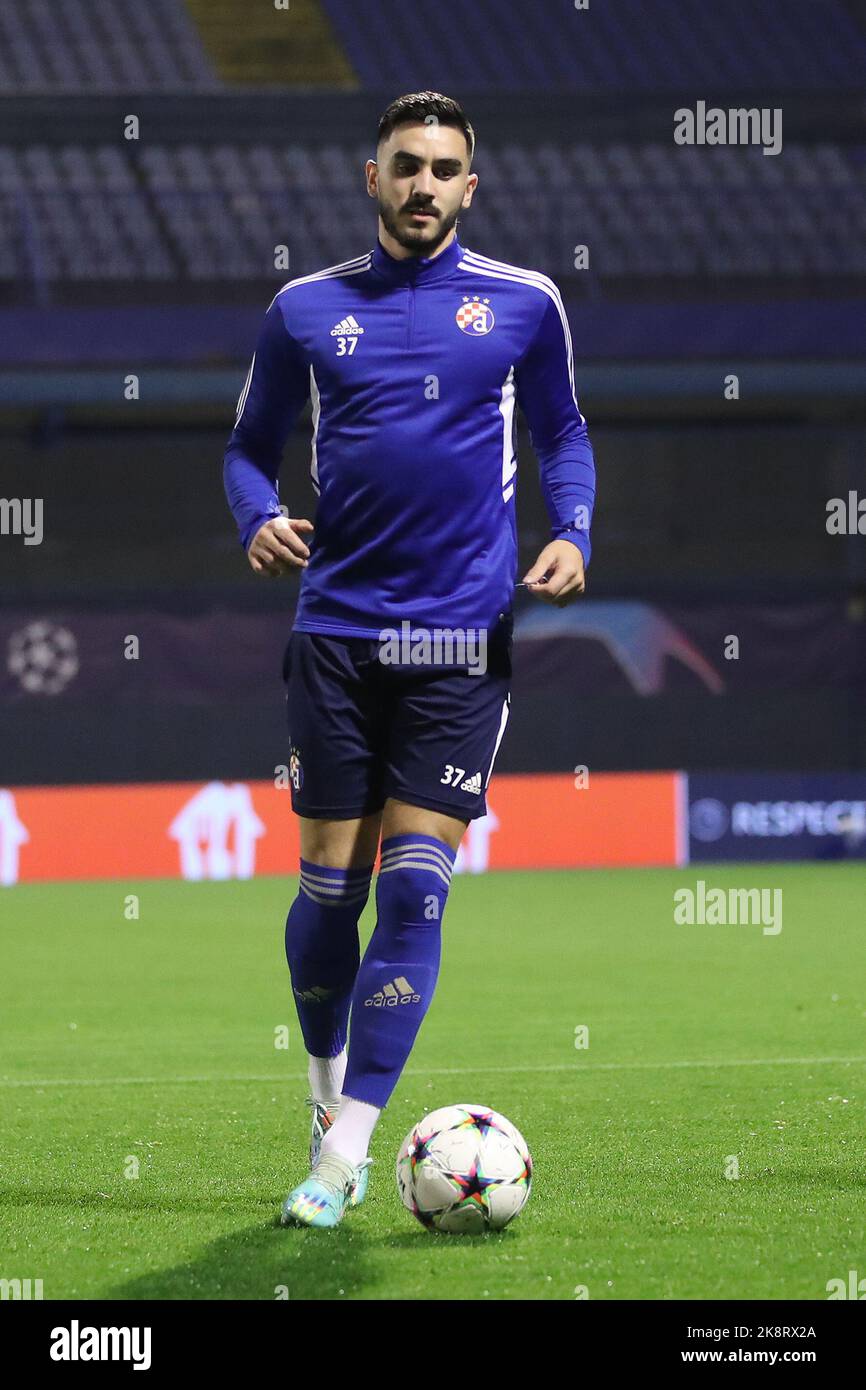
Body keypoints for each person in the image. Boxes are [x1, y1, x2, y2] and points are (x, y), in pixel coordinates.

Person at [223, 91, 595, 1227]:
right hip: (335, 632)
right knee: (327, 890)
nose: (424, 184)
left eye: (444, 169)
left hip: (457, 638)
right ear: (370, 177)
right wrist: (255, 517)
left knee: (416, 895)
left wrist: (571, 526)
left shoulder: (524, 303)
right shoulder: (303, 309)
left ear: (468, 187)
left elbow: (561, 432)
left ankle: (344, 1151)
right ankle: (324, 1089)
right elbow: (247, 448)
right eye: (406, 165)